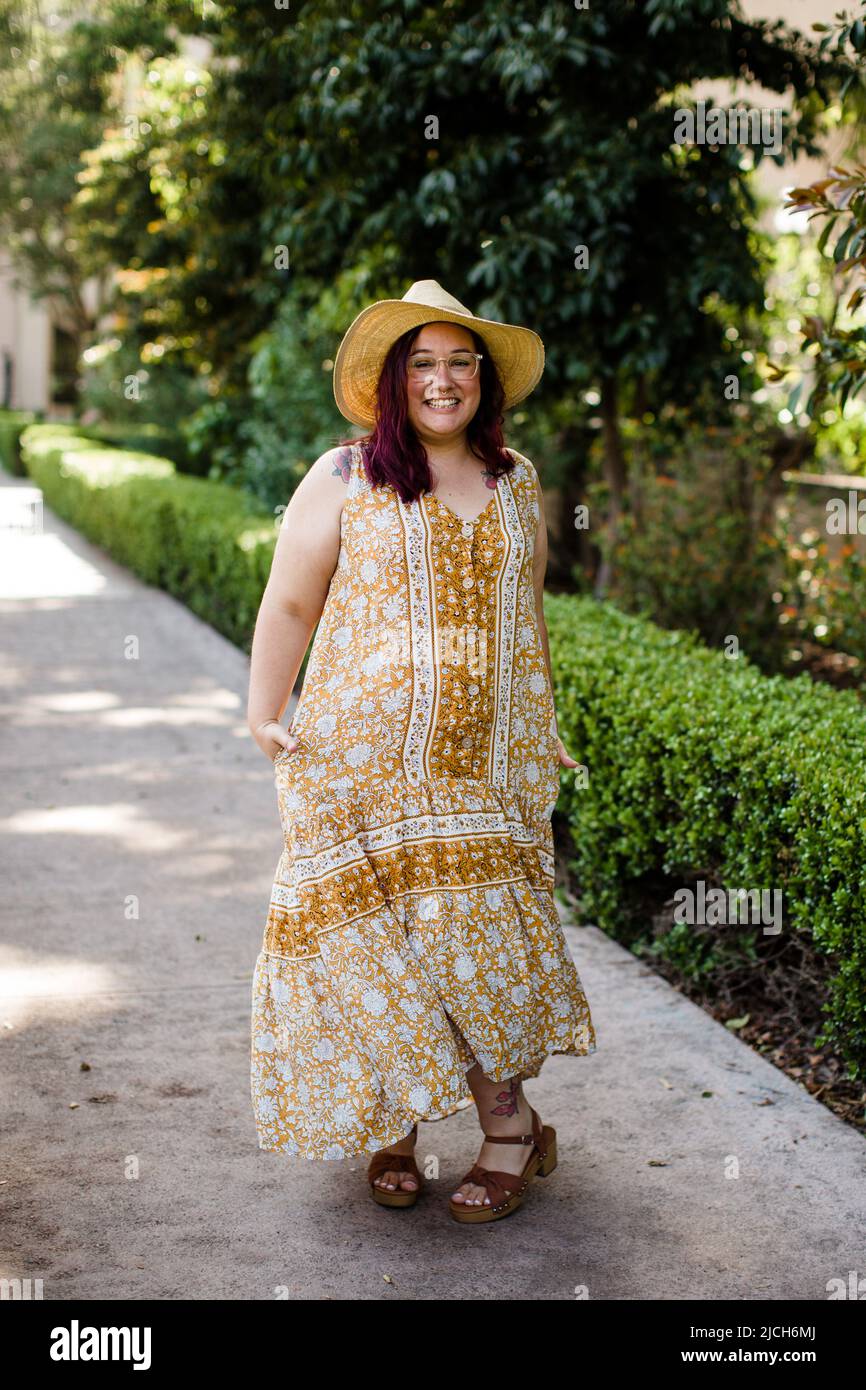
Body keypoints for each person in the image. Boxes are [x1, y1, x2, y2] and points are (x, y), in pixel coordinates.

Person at [247, 279, 597, 1224]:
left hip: (483, 767)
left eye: (459, 362)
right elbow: (290, 602)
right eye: (423, 364)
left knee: (474, 945)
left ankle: (512, 1131)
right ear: (393, 383)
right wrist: (263, 707)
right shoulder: (343, 475)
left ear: (482, 377)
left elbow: (525, 619)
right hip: (359, 763)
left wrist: (542, 719)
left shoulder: (516, 480)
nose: (443, 380)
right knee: (376, 949)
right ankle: (393, 1129)